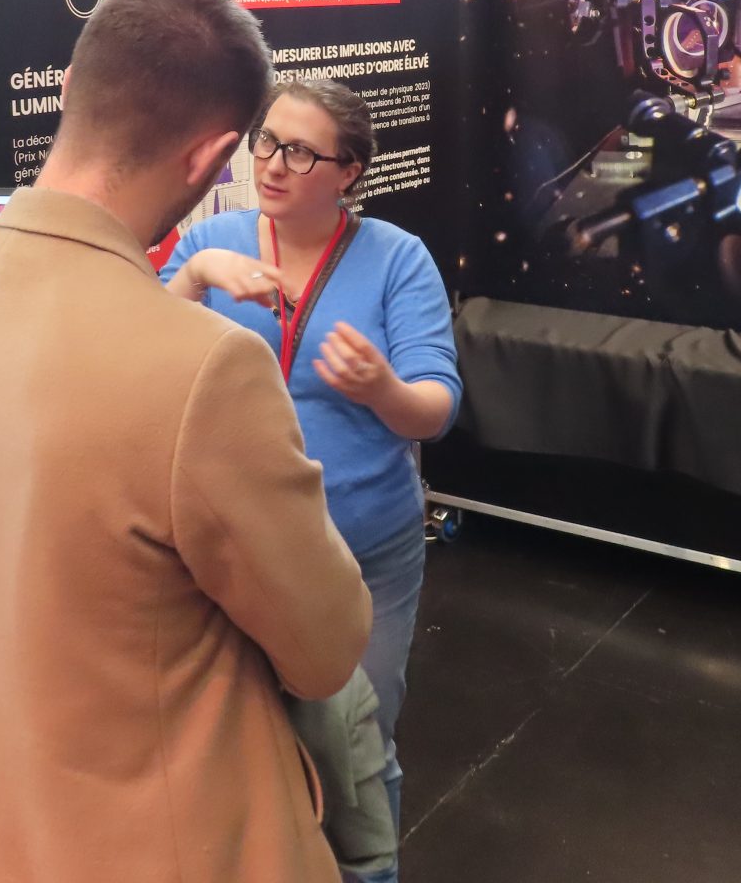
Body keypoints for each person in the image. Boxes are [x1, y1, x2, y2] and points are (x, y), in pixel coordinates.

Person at [0, 0, 371, 883]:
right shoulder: (204, 369)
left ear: (71, 87)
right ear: (212, 157)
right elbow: (327, 647)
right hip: (155, 845)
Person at [162, 76, 462, 883]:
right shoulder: (212, 242)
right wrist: (194, 276)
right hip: (232, 552)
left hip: (363, 552)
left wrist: (383, 390)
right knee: (233, 751)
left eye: (301, 152)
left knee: (356, 749)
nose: (272, 164)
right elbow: (142, 358)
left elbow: (435, 408)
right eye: (267, 140)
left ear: (348, 172)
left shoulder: (396, 257)